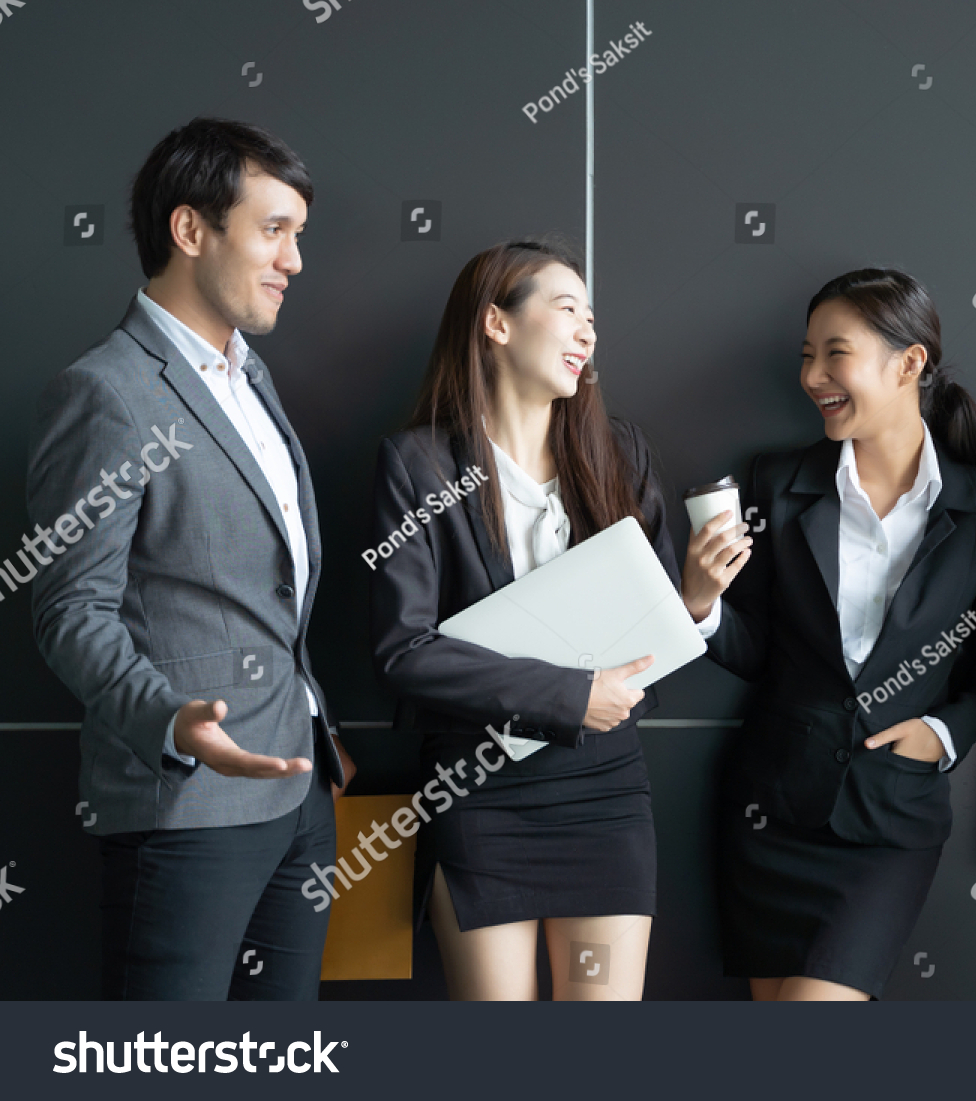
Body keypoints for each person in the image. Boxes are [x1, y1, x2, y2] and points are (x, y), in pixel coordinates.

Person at [26, 117, 354, 1000]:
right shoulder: (105, 392)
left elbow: (263, 585)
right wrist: (172, 722)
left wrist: (313, 723)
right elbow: (68, 610)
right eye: (274, 230)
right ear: (190, 229)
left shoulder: (250, 373)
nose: (293, 260)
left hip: (297, 797)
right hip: (186, 807)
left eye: (299, 236)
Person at [682, 268, 976, 1000]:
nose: (812, 376)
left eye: (833, 354)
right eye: (806, 355)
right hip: (771, 810)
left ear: (910, 363)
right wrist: (703, 605)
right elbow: (757, 651)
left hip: (889, 826)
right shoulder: (777, 482)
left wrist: (941, 732)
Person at [368, 238, 674, 1000]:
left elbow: (659, 625)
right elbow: (403, 652)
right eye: (567, 309)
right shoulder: (418, 464)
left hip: (605, 788)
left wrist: (695, 596)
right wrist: (568, 696)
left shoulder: (618, 449)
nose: (587, 332)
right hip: (480, 793)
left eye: (592, 320)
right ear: (496, 324)